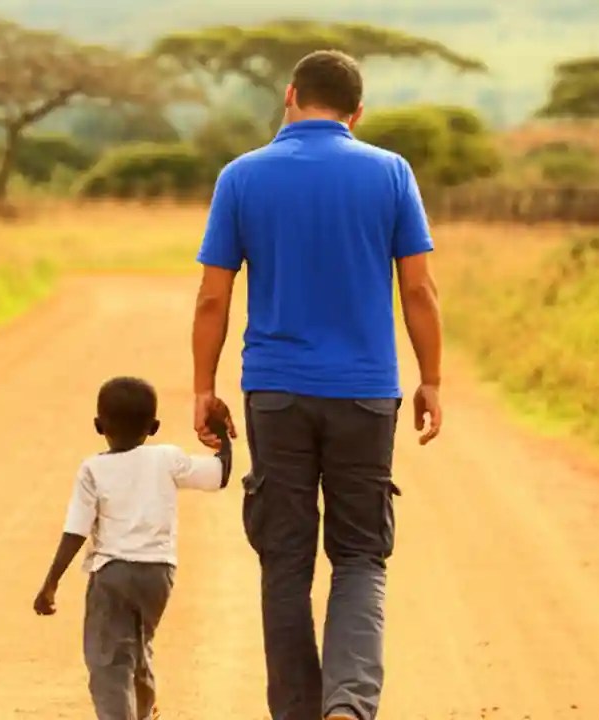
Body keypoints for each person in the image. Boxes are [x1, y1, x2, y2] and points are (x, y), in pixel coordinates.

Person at [190, 50, 444, 720]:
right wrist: (433, 380)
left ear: (290, 95)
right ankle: (349, 707)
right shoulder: (390, 172)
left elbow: (212, 299)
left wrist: (201, 387)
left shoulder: (241, 177)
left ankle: (299, 711)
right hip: (366, 392)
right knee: (361, 556)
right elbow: (418, 287)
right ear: (357, 113)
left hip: (274, 393)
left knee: (286, 560)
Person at [33, 376, 234, 720]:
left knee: (109, 659)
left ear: (99, 425)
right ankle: (143, 712)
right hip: (158, 575)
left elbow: (76, 530)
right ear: (154, 427)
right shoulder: (167, 458)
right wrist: (222, 437)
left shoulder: (93, 469)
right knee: (139, 647)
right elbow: (219, 474)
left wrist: (51, 582)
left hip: (113, 574)